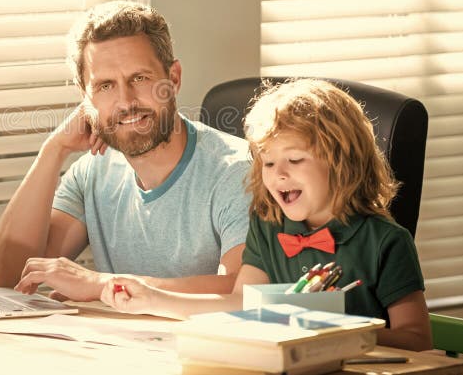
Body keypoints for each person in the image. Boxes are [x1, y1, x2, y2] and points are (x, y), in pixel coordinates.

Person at [101, 79, 433, 351]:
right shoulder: (268, 226)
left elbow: (417, 340)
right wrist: (155, 299)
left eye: (295, 160)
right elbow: (239, 303)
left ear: (341, 160)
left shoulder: (387, 242)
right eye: (269, 163)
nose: (278, 175)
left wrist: (339, 333)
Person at [0, 0, 252, 301]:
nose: (126, 102)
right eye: (105, 86)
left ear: (173, 78)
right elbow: (9, 277)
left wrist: (105, 285)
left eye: (140, 79)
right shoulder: (94, 171)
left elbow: (240, 289)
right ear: (84, 96)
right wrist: (54, 150)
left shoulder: (236, 172)